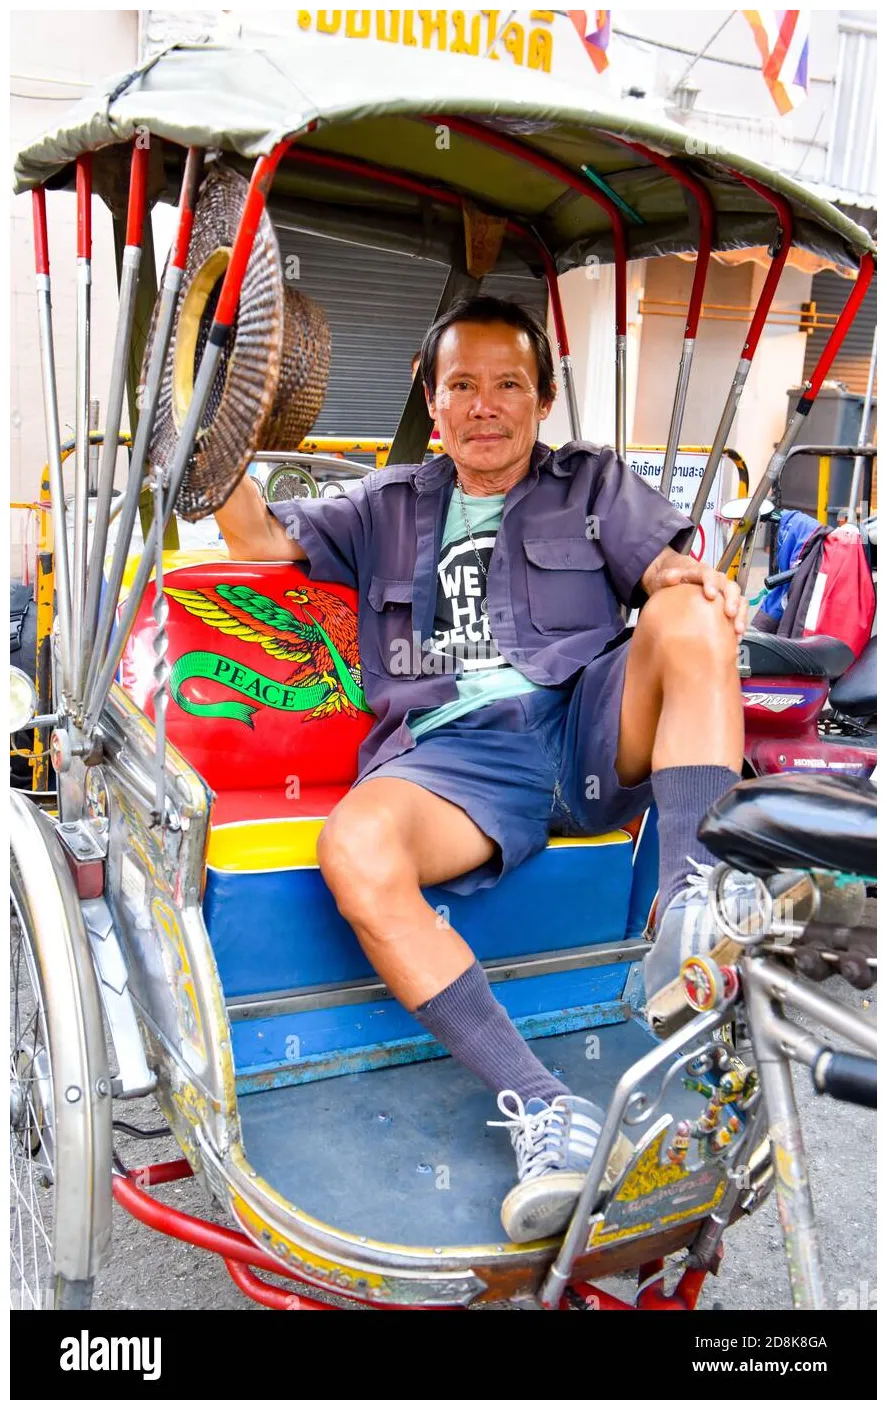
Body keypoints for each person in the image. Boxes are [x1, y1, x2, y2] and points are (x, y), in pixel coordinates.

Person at [215, 295, 748, 1243]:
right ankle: (546, 1106)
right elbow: (256, 539)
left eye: (508, 384)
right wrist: (214, 417)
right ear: (432, 398)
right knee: (356, 848)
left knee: (693, 612)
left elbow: (665, 574)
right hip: (458, 757)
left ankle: (692, 912)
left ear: (541, 401)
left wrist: (688, 581)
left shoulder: (590, 484)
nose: (485, 405)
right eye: (462, 385)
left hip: (587, 721)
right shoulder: (381, 505)